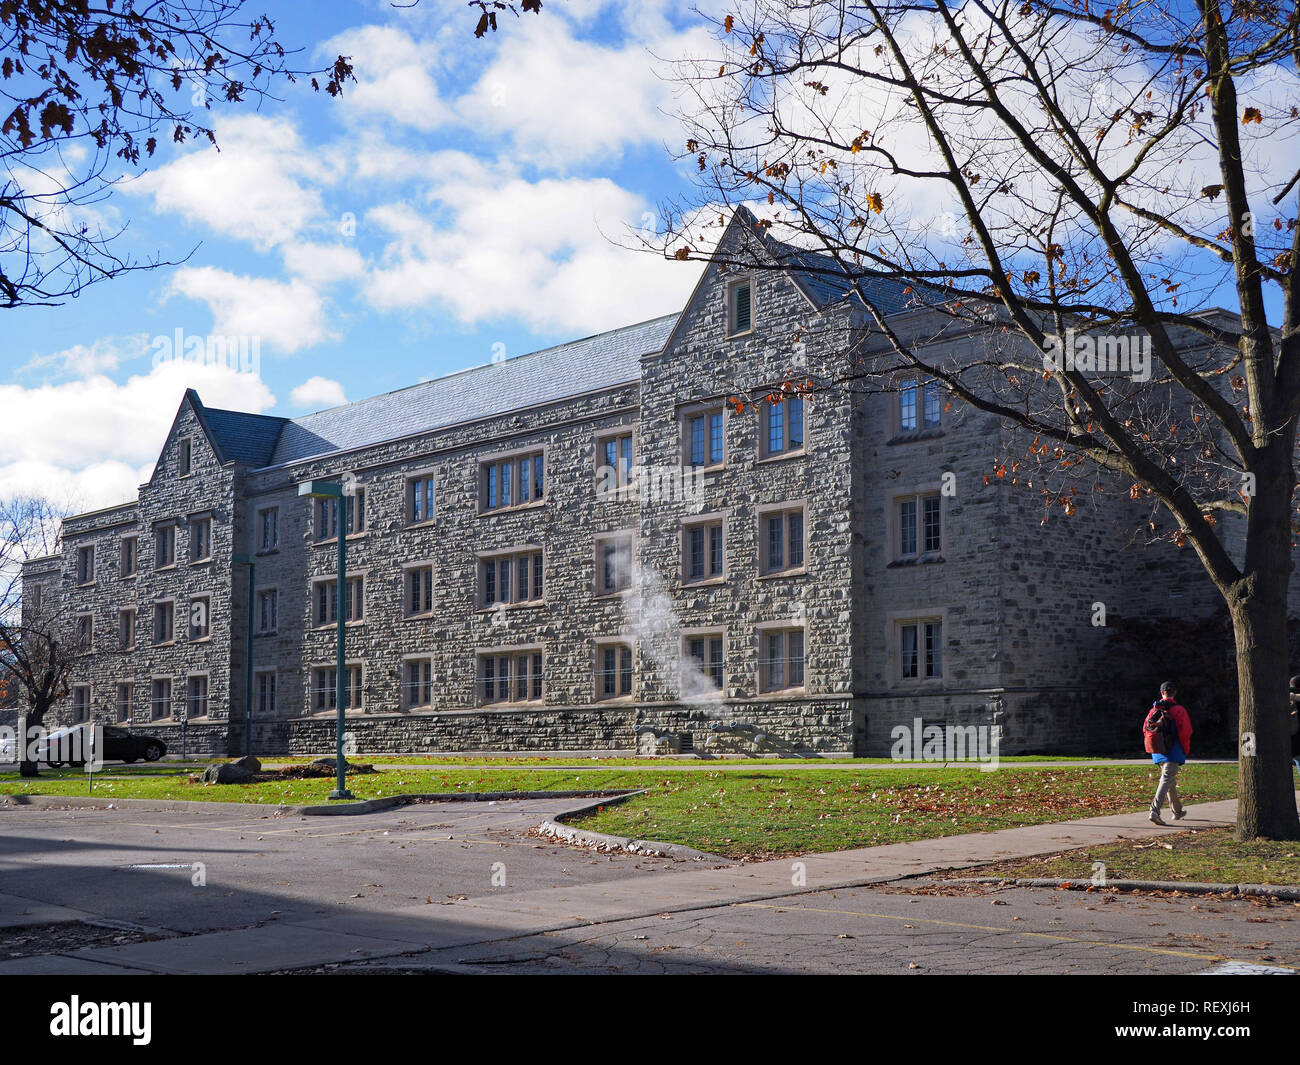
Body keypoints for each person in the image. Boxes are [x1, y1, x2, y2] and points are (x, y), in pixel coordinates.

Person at [1146, 681, 1193, 826]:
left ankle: (1177, 811)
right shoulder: (1179, 710)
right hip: (1173, 750)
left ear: (1162, 693)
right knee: (1166, 779)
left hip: (1158, 750)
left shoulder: (1154, 709)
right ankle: (1154, 811)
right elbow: (1186, 732)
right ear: (1175, 693)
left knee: (1169, 781)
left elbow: (1145, 728)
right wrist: (1185, 750)